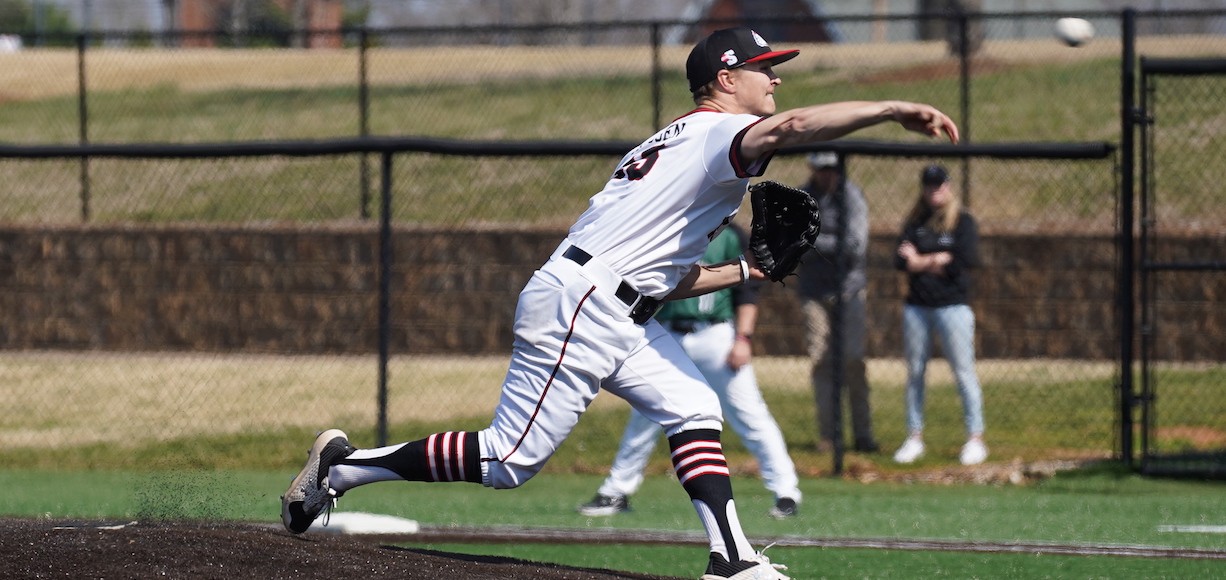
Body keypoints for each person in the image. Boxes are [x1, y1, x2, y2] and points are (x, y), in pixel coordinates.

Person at [281, 26, 958, 580]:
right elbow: (797, 125)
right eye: (763, 68)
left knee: (694, 405)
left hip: (610, 302)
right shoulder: (717, 134)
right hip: (586, 302)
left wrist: (747, 268)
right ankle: (346, 465)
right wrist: (892, 109)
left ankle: (731, 558)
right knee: (507, 461)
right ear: (725, 79)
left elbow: (660, 279)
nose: (775, 79)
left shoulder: (677, 142)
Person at [576, 224, 803, 520]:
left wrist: (743, 338)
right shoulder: (668, 229)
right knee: (644, 416)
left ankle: (786, 492)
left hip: (716, 337)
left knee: (749, 414)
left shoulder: (731, 235)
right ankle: (616, 491)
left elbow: (748, 292)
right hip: (668, 336)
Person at [891, 164, 987, 466]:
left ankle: (975, 438)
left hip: (953, 307)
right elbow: (899, 260)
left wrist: (919, 260)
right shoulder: (915, 220)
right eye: (930, 185)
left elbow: (962, 262)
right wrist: (934, 261)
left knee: (963, 372)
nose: (935, 190)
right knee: (915, 373)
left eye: (940, 185)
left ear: (949, 186)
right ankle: (914, 436)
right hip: (917, 307)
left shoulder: (963, 221)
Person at [795, 152, 878, 455]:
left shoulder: (852, 197)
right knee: (821, 362)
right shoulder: (802, 198)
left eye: (833, 169)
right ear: (812, 168)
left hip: (849, 291)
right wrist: (830, 244)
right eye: (822, 169)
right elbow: (793, 245)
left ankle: (863, 435)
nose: (828, 175)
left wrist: (814, 242)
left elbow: (855, 247)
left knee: (853, 360)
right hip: (813, 292)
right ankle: (829, 437)